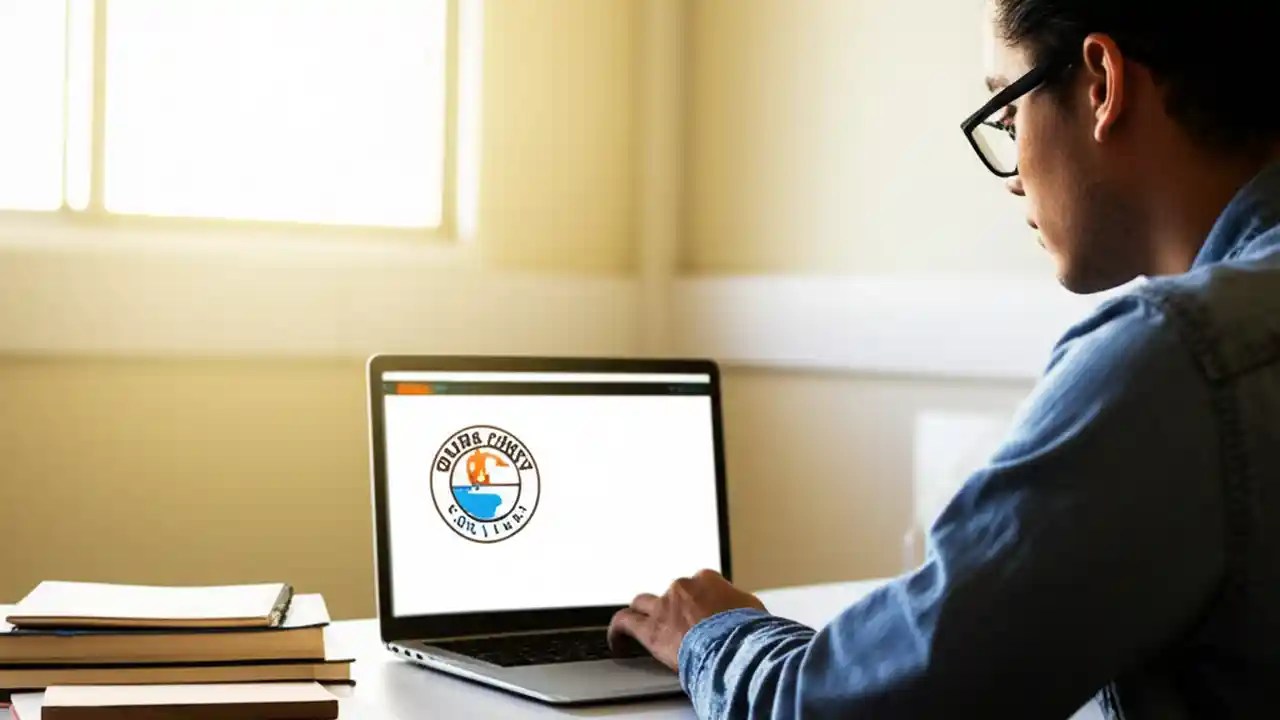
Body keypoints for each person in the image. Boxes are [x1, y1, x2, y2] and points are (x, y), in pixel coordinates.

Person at [606, 0, 1280, 717]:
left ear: (1101, 85)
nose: (1012, 177)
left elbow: (839, 709)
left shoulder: (1174, 361)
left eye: (1007, 115)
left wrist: (712, 634)